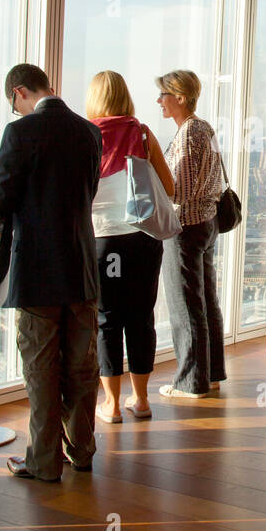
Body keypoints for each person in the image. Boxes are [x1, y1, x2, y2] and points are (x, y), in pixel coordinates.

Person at [0, 64, 102, 482]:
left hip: (37, 273)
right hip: (82, 268)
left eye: (12, 103)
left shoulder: (21, 133)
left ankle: (45, 462)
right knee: (82, 368)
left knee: (42, 368)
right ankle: (83, 453)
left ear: (18, 93)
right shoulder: (89, 132)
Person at [85, 71, 175, 422]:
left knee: (107, 319)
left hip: (103, 239)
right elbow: (168, 186)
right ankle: (141, 400)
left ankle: (110, 404)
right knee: (141, 317)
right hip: (143, 238)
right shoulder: (141, 133)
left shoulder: (87, 135)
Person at [155, 70, 226, 398]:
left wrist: (152, 174)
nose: (159, 101)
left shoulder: (187, 133)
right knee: (206, 301)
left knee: (185, 304)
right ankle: (210, 374)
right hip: (207, 224)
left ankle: (190, 382)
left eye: (164, 95)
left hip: (185, 228)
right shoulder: (205, 128)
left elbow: (179, 190)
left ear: (180, 98)